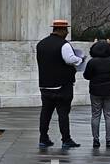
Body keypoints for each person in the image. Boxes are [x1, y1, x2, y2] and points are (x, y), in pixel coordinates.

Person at [36, 17, 85, 151]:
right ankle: (66, 139)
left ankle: (43, 138)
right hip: (62, 85)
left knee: (45, 113)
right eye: (66, 30)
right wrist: (80, 59)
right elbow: (70, 60)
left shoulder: (41, 44)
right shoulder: (64, 44)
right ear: (62, 30)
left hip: (45, 85)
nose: (67, 33)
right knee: (63, 113)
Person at [83, 39, 110, 148]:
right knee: (109, 114)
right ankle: (109, 139)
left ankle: (96, 139)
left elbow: (87, 76)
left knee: (95, 115)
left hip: (95, 91)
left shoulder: (92, 62)